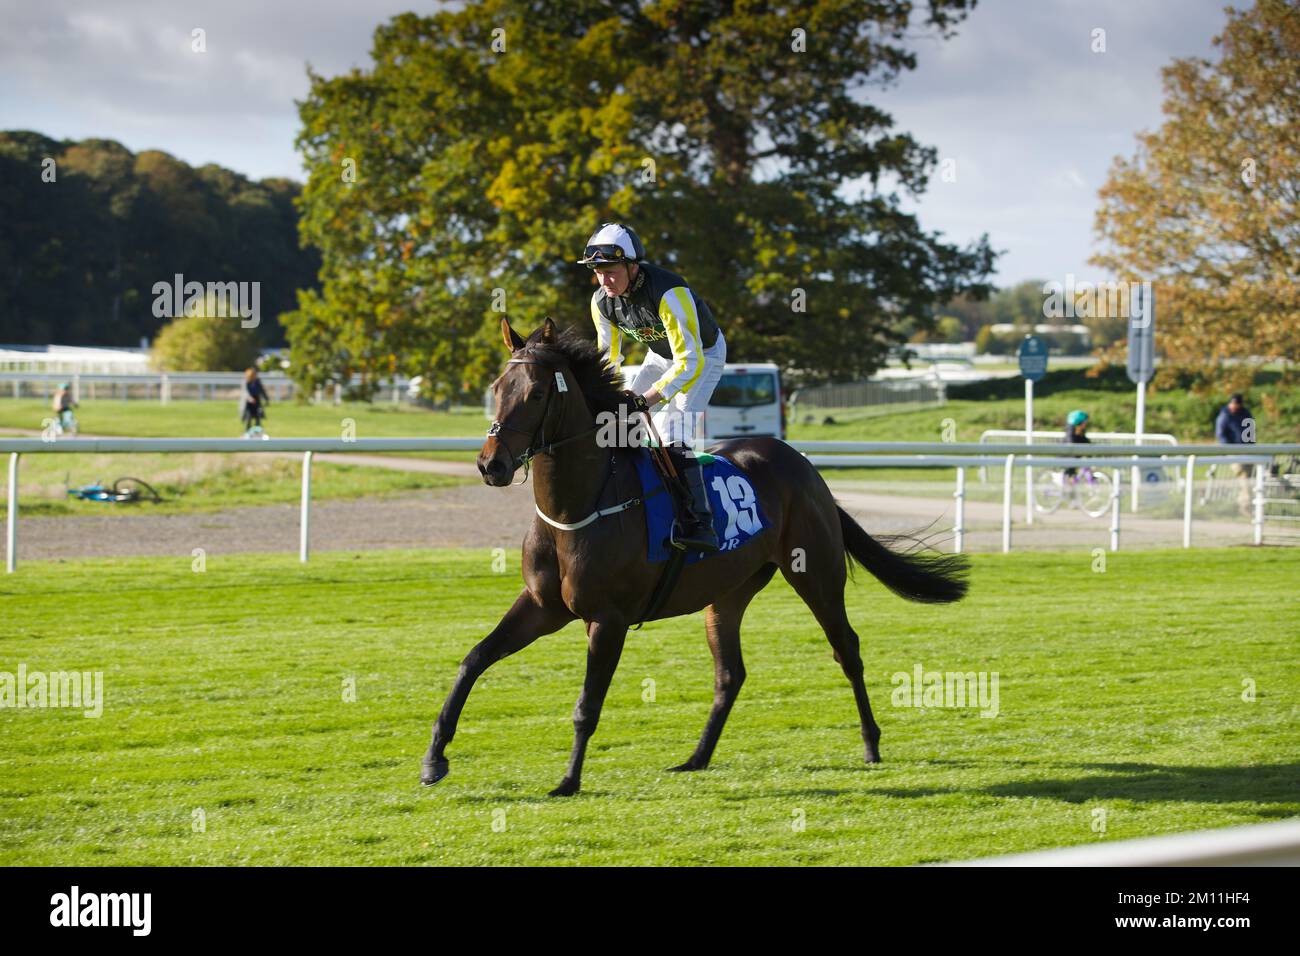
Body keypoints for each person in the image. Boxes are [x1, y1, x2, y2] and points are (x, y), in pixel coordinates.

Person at [578, 222, 726, 552]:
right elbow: (608, 360)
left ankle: (699, 523)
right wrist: (606, 400)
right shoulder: (601, 301)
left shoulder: (669, 292)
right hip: (660, 357)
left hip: (703, 356)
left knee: (672, 433)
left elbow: (690, 362)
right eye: (597, 272)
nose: (604, 280)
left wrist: (646, 399)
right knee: (614, 427)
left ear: (633, 266)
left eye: (611, 271)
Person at [1215, 393, 1255, 515]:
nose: (1234, 407)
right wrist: (1231, 450)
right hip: (1233, 453)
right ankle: (1245, 507)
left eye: (1236, 404)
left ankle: (1251, 505)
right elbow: (1221, 435)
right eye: (1232, 404)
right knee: (1244, 476)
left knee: (1252, 476)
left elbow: (1250, 435)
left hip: (1246, 452)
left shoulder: (1246, 414)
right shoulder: (1224, 415)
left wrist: (1249, 449)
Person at [240, 367, 270, 434]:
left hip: (256, 402)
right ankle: (247, 432)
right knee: (249, 418)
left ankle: (257, 433)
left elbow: (262, 390)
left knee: (258, 417)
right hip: (248, 403)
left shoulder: (257, 381)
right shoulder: (246, 381)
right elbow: (245, 392)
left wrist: (266, 399)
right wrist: (250, 398)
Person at [1063, 409, 1090, 478]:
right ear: (1078, 422)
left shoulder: (1081, 431)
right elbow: (1071, 442)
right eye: (1084, 422)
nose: (1085, 424)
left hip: (1075, 456)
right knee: (1070, 474)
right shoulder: (1071, 429)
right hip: (1068, 457)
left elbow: (1085, 442)